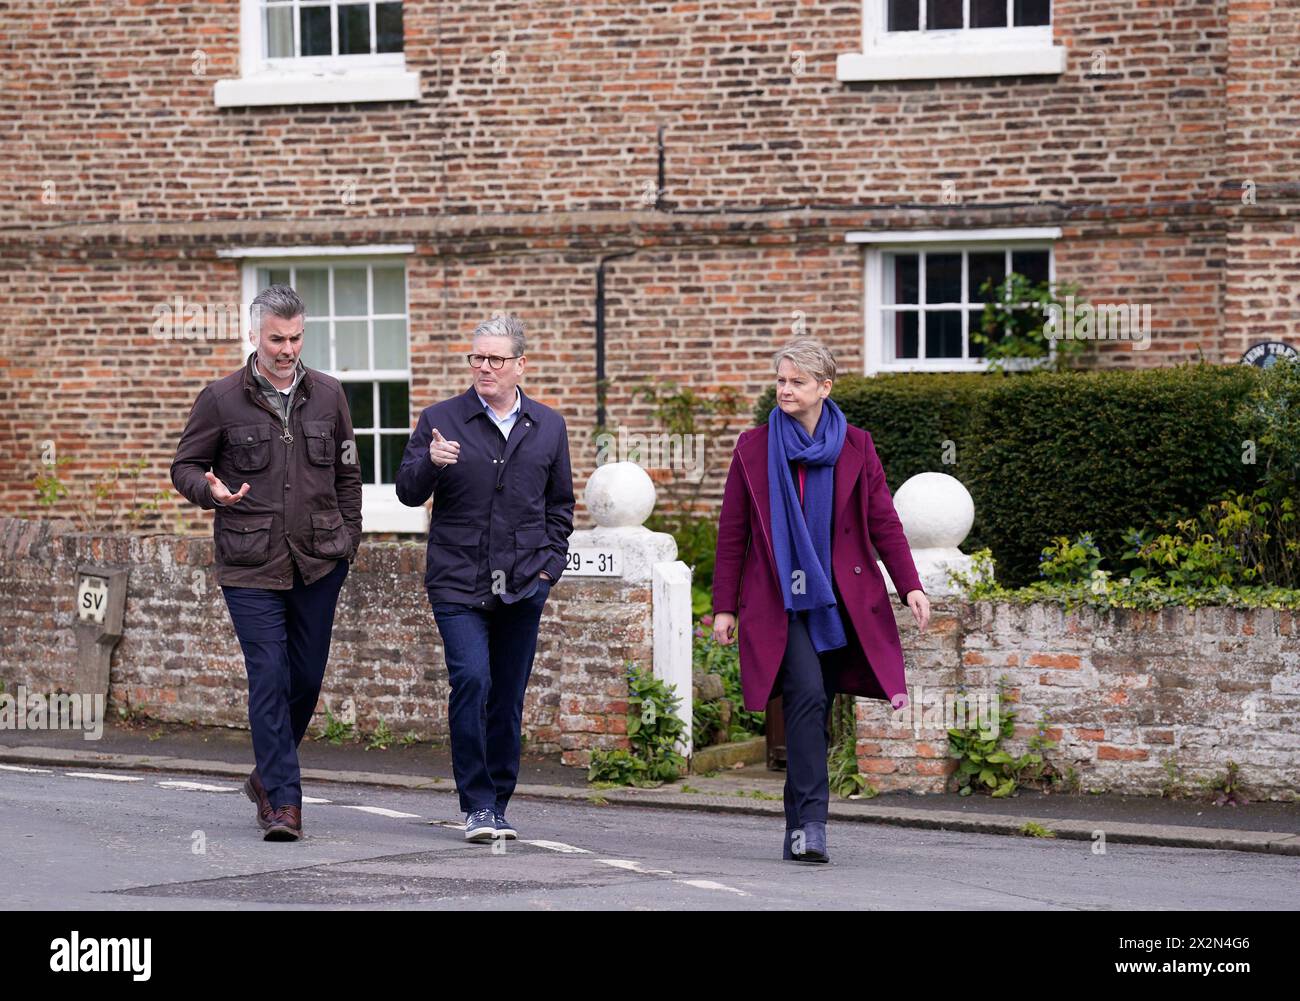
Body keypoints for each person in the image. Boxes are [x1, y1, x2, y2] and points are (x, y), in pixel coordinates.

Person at [712, 338, 930, 863]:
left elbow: (883, 521)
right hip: (780, 601)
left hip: (841, 601)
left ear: (824, 388)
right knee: (806, 694)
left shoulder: (856, 444)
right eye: (780, 381)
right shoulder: (753, 448)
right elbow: (732, 532)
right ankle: (813, 825)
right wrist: (725, 606)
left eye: (796, 382)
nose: (785, 390)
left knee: (818, 706)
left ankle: (797, 826)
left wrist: (910, 584)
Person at [170, 285, 362, 842]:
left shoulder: (329, 396)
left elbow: (348, 472)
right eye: (276, 338)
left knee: (304, 678)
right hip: (249, 563)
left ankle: (264, 774)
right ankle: (283, 801)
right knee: (269, 674)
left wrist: (349, 539)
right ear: (255, 336)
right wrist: (210, 492)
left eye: (296, 337)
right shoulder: (220, 398)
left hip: (320, 561)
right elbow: (185, 466)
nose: (287, 349)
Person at [396, 313, 574, 843]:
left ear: (521, 365)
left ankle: (498, 802)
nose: (484, 368)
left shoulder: (548, 426)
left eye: (496, 359)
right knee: (472, 680)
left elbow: (560, 508)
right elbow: (407, 491)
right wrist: (430, 461)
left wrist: (548, 569)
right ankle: (474, 804)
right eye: (477, 358)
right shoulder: (440, 419)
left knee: (507, 694)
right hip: (457, 580)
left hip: (523, 581)